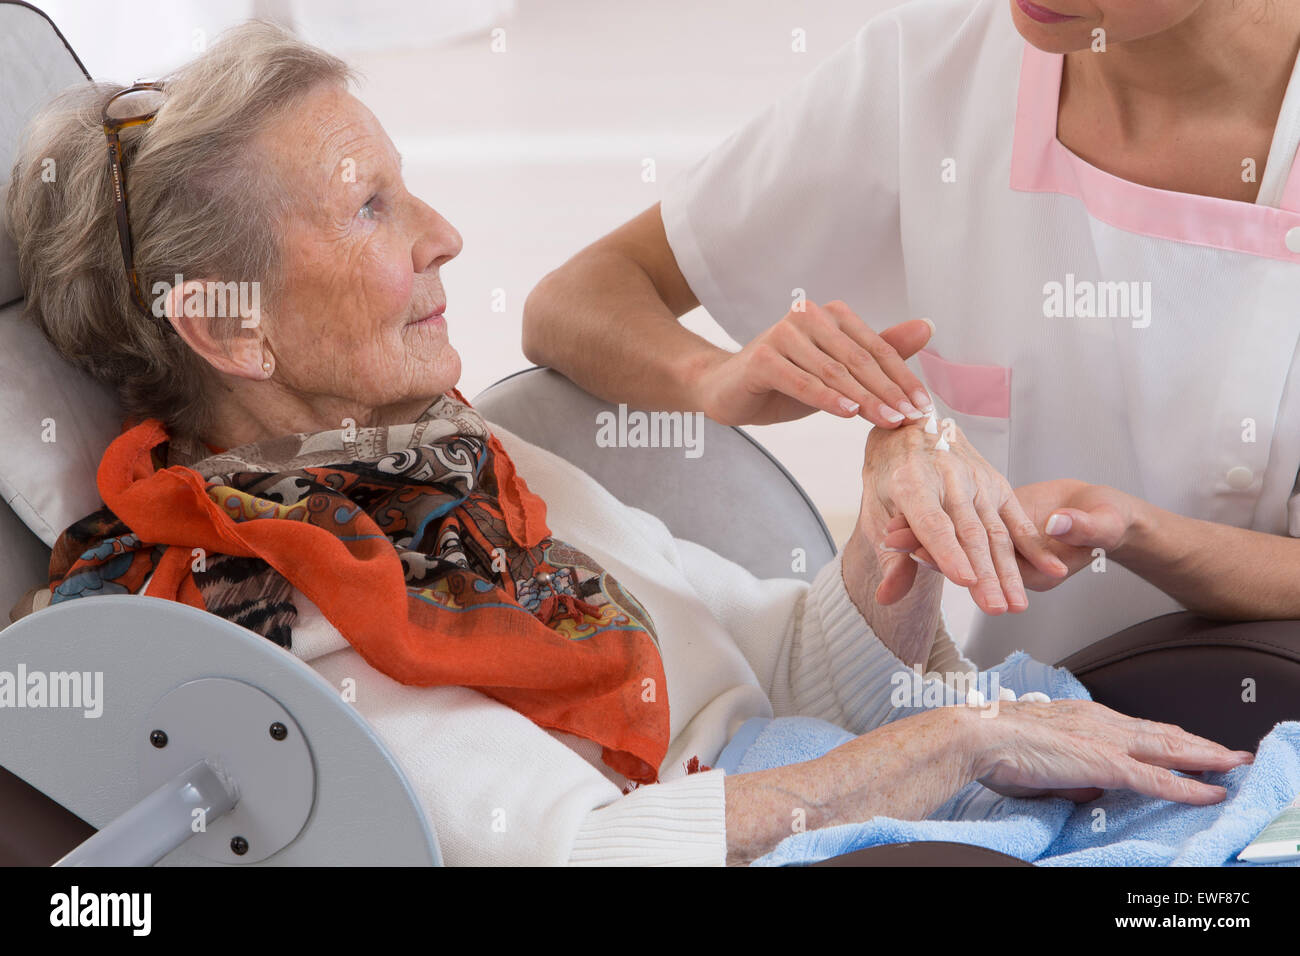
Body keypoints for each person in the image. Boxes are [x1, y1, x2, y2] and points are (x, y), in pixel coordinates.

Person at [4, 20, 1250, 866]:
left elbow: (777, 672)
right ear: (232, 331)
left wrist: (891, 539)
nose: (443, 235)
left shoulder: (444, 466)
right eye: (370, 207)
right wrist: (958, 740)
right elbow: (584, 850)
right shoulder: (272, 599)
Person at [521, 0, 1300, 666]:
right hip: (1034, 733)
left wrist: (1142, 534)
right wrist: (711, 379)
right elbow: (572, 301)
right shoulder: (936, 66)